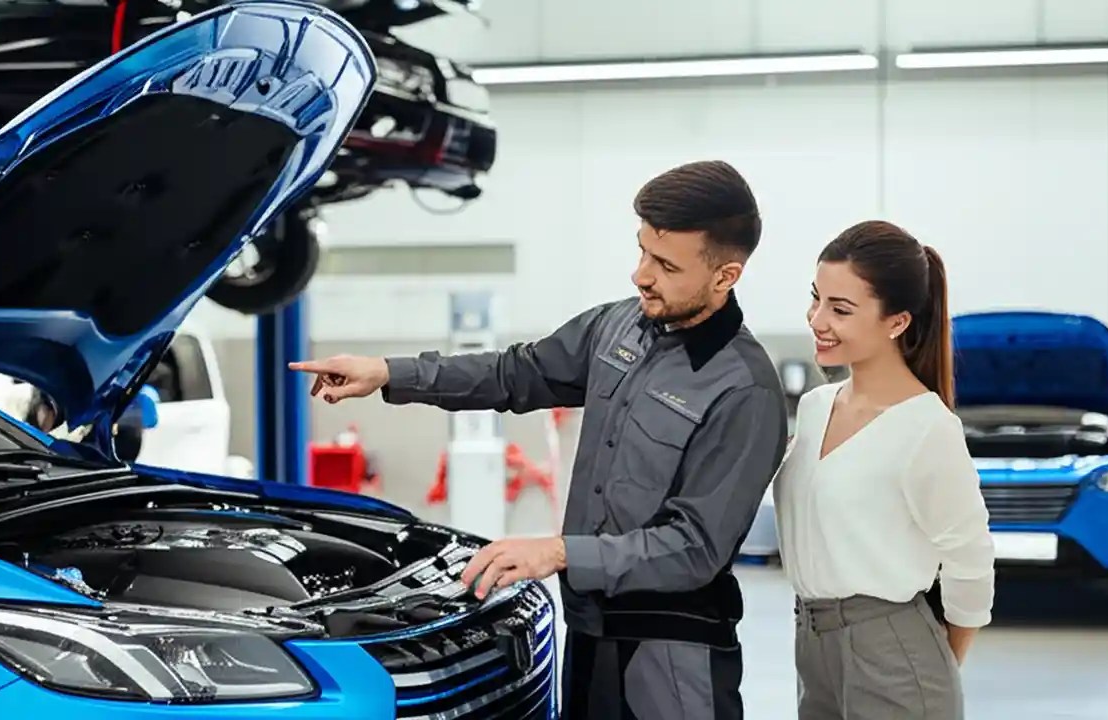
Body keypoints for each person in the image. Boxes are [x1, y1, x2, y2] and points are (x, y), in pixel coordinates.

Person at [290, 160, 788, 719]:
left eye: (666, 264)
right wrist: (388, 372)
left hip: (673, 657)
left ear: (726, 276)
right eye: (642, 251)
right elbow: (515, 373)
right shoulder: (617, 326)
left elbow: (693, 548)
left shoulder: (745, 390)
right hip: (588, 635)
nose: (640, 275)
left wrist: (555, 552)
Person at [773, 220, 996, 719]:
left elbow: (971, 563)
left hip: (891, 649)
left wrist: (936, 661)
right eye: (817, 299)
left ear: (896, 322)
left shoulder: (926, 427)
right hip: (811, 646)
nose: (817, 320)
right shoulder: (813, 407)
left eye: (841, 309)